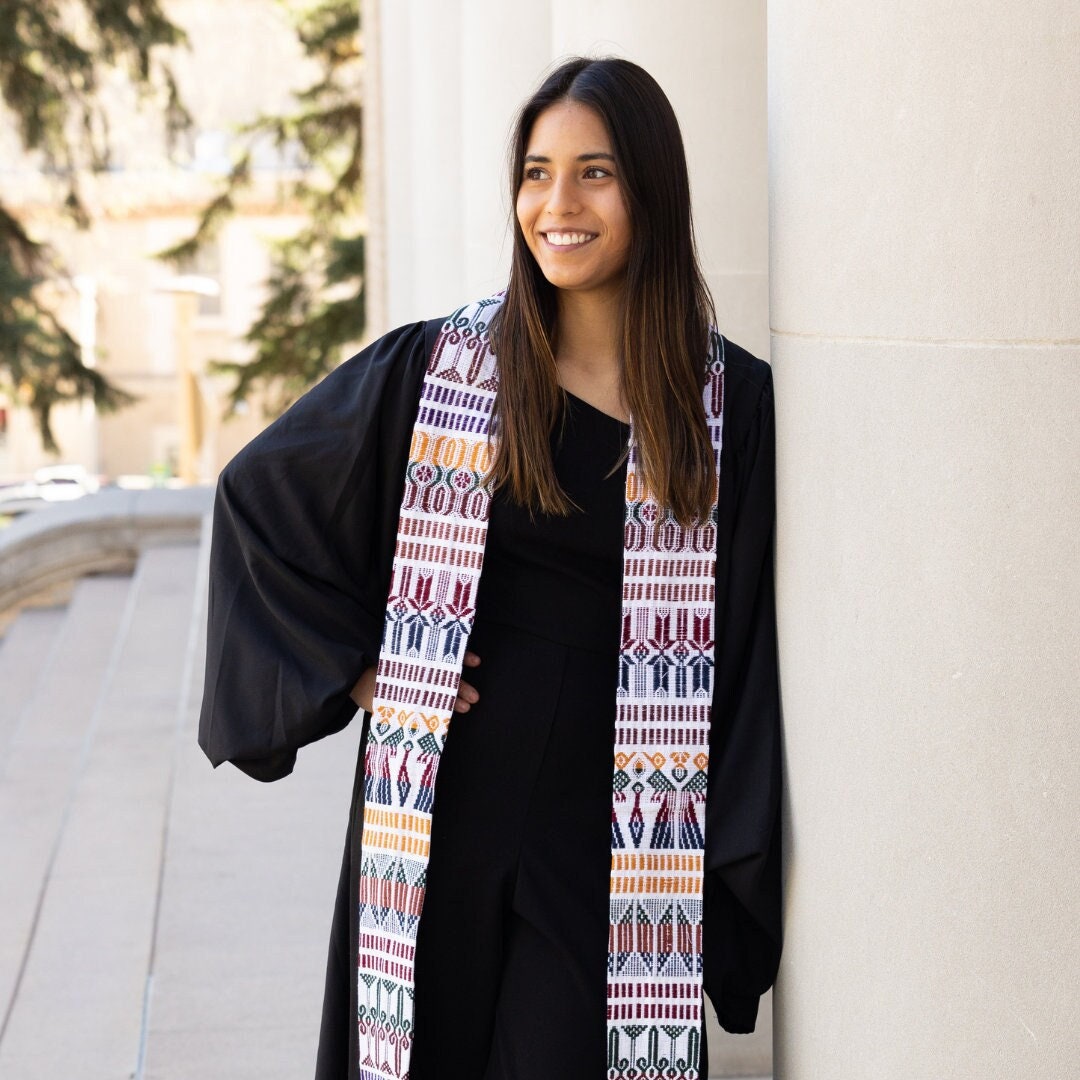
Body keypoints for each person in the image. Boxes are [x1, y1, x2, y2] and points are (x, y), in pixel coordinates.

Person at [198, 56, 781, 1080]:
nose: (557, 203)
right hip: (443, 800)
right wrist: (356, 666)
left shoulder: (728, 409)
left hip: (615, 827)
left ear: (652, 186)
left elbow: (753, 647)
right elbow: (257, 493)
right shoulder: (444, 368)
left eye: (594, 172)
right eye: (537, 171)